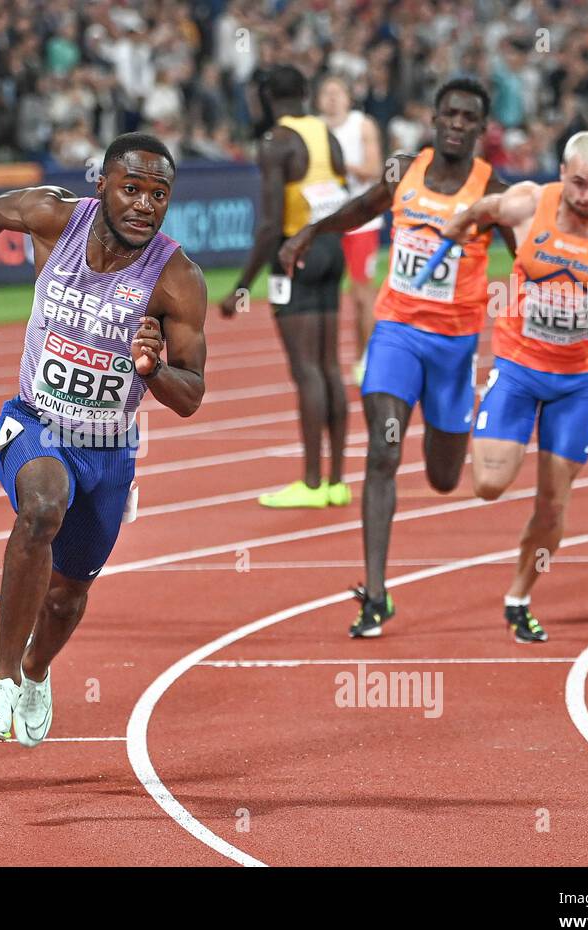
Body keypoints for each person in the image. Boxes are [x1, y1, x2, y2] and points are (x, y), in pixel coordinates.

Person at [0, 133, 208, 746]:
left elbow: (193, 395)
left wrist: (155, 372)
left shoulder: (177, 279)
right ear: (100, 184)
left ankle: (33, 670)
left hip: (109, 448)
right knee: (41, 509)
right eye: (131, 189)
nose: (144, 206)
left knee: (68, 596)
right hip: (34, 422)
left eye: (159, 195)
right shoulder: (56, 219)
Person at [280, 77, 516, 638]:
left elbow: (525, 254)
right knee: (383, 452)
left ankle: (456, 422)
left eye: (468, 118)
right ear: (434, 119)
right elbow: (359, 208)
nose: (457, 124)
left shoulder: (493, 192)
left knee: (441, 476)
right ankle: (376, 594)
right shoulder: (403, 171)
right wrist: (309, 232)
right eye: (449, 114)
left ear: (481, 130)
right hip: (396, 334)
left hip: (454, 348)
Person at [439, 131, 588, 642]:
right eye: (578, 182)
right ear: (561, 173)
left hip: (577, 381)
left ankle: (518, 596)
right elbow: (479, 210)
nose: (586, 196)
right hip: (518, 367)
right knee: (488, 485)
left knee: (554, 502)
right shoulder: (528, 203)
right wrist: (458, 228)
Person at [220, 65, 351, 510]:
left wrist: (241, 285)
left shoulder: (276, 142)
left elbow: (271, 224)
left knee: (306, 369)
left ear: (266, 98)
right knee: (330, 364)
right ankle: (337, 481)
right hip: (332, 250)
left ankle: (311, 483)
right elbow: (342, 194)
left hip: (293, 257)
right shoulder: (326, 136)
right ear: (305, 92)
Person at [317, 74, 385, 386]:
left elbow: (374, 169)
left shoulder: (362, 125)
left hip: (360, 220)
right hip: (326, 221)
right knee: (322, 296)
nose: (332, 98)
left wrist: (339, 166)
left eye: (337, 92)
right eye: (326, 93)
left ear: (348, 97)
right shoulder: (313, 128)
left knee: (361, 296)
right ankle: (323, 361)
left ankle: (365, 358)